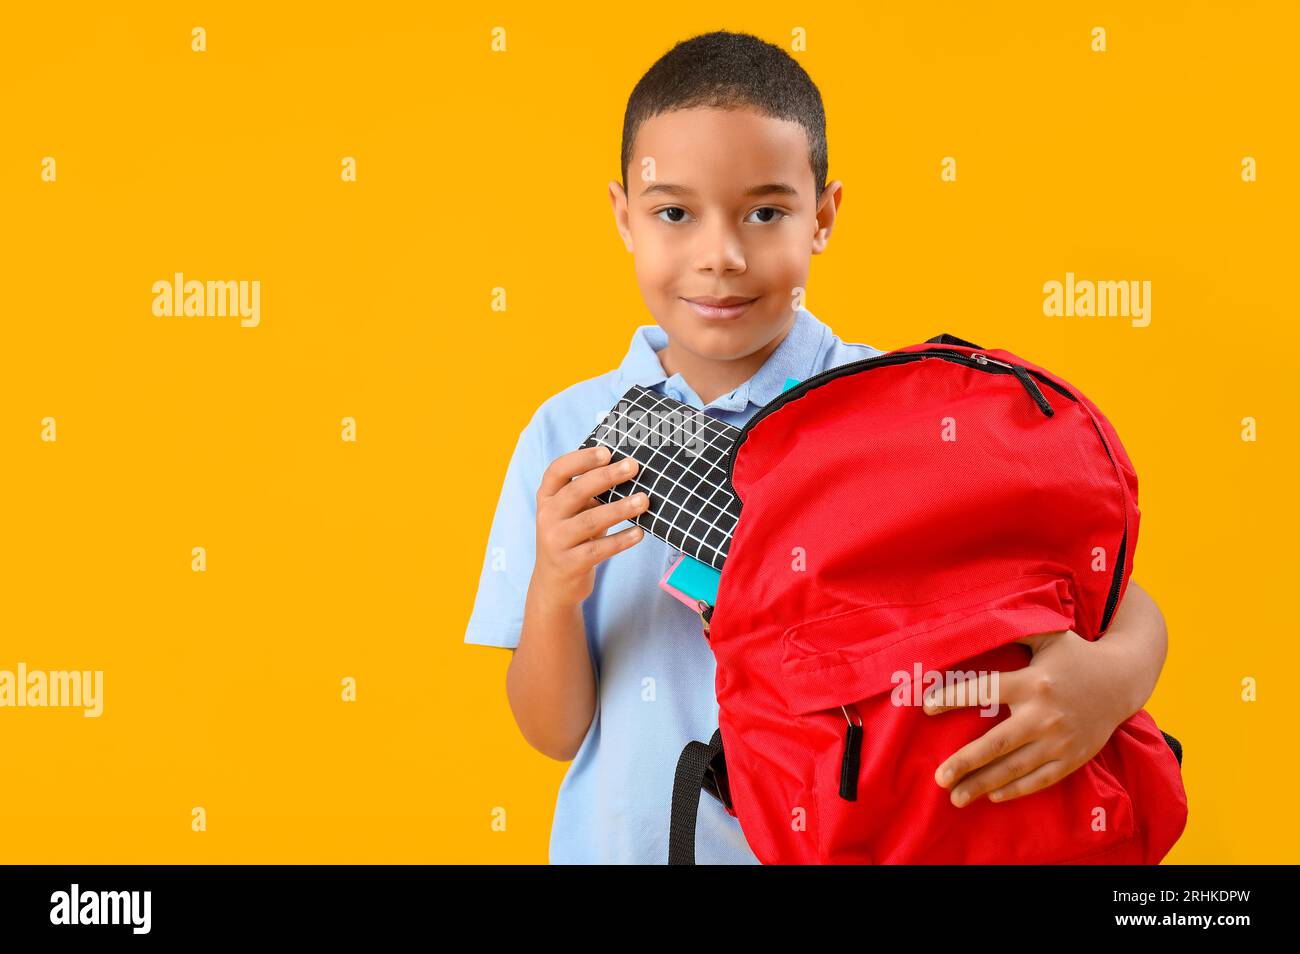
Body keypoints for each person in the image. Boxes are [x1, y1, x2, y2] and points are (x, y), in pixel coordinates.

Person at [463, 30, 1169, 864]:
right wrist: (553, 587)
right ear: (623, 216)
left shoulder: (901, 408)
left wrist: (1109, 685)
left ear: (824, 216)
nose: (720, 256)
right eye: (673, 213)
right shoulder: (570, 432)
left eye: (765, 212)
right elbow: (554, 733)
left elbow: (1114, 598)